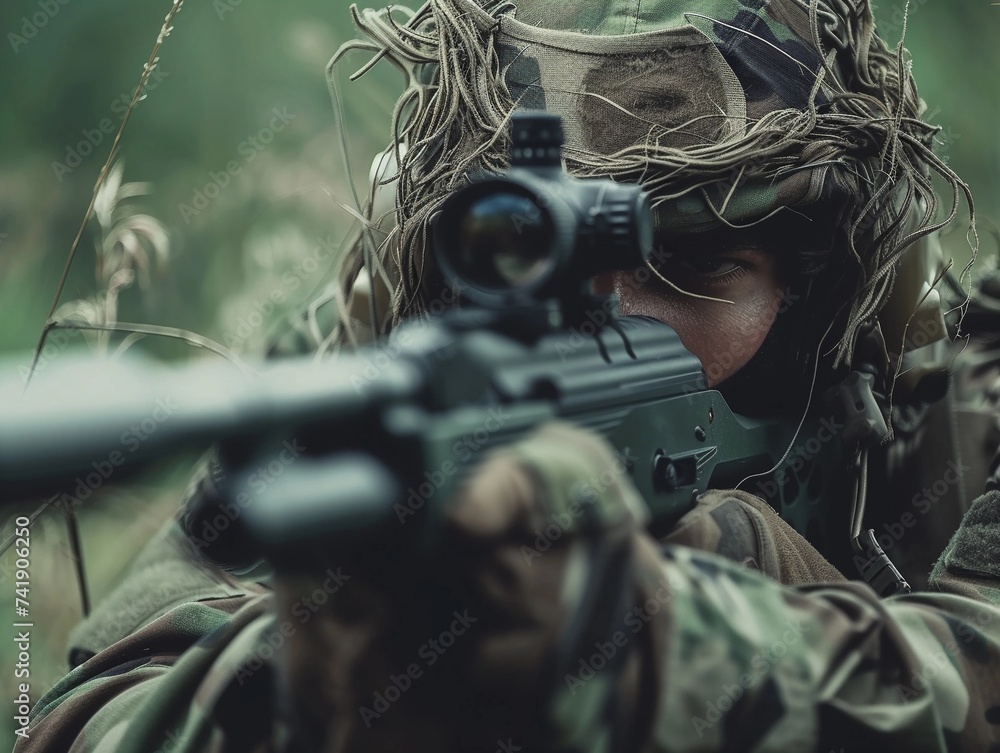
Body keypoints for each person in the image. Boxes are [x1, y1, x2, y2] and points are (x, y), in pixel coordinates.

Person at [16, 0, 1000, 751]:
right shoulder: (388, 361)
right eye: (535, 251)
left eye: (695, 267)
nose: (605, 314)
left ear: (818, 298)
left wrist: (673, 605)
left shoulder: (954, 412)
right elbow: (86, 713)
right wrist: (321, 668)